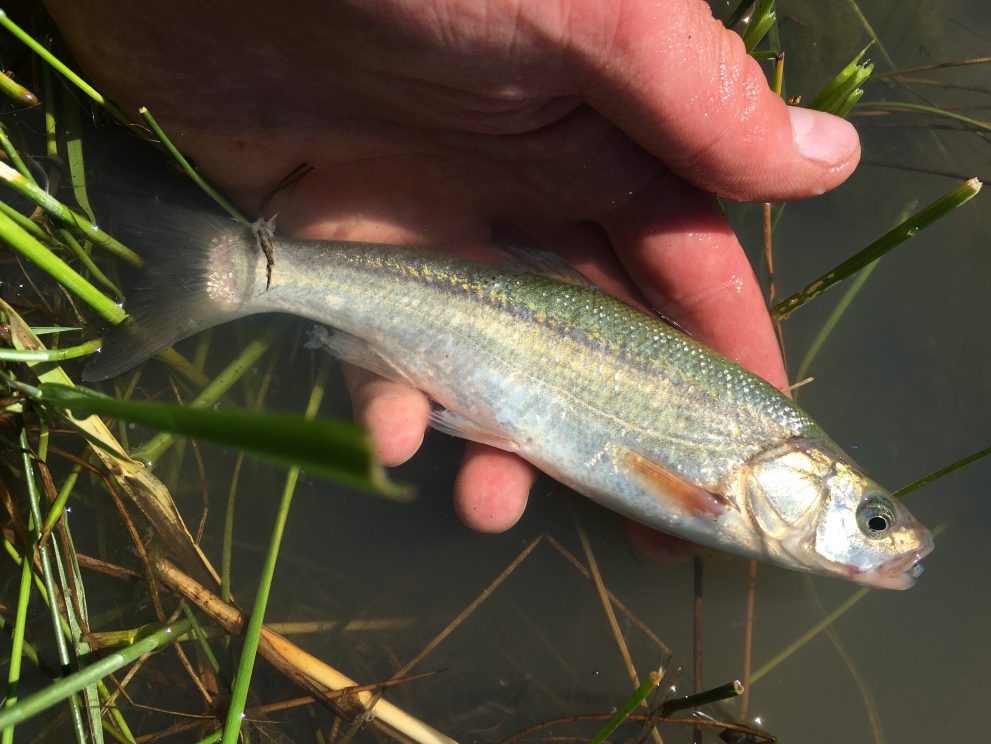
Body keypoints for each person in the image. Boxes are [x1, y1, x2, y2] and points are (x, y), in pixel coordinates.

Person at [45, 0, 860, 538]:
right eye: (872, 523)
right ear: (806, 477)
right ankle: (240, 272)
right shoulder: (732, 478)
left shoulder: (749, 457)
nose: (883, 540)